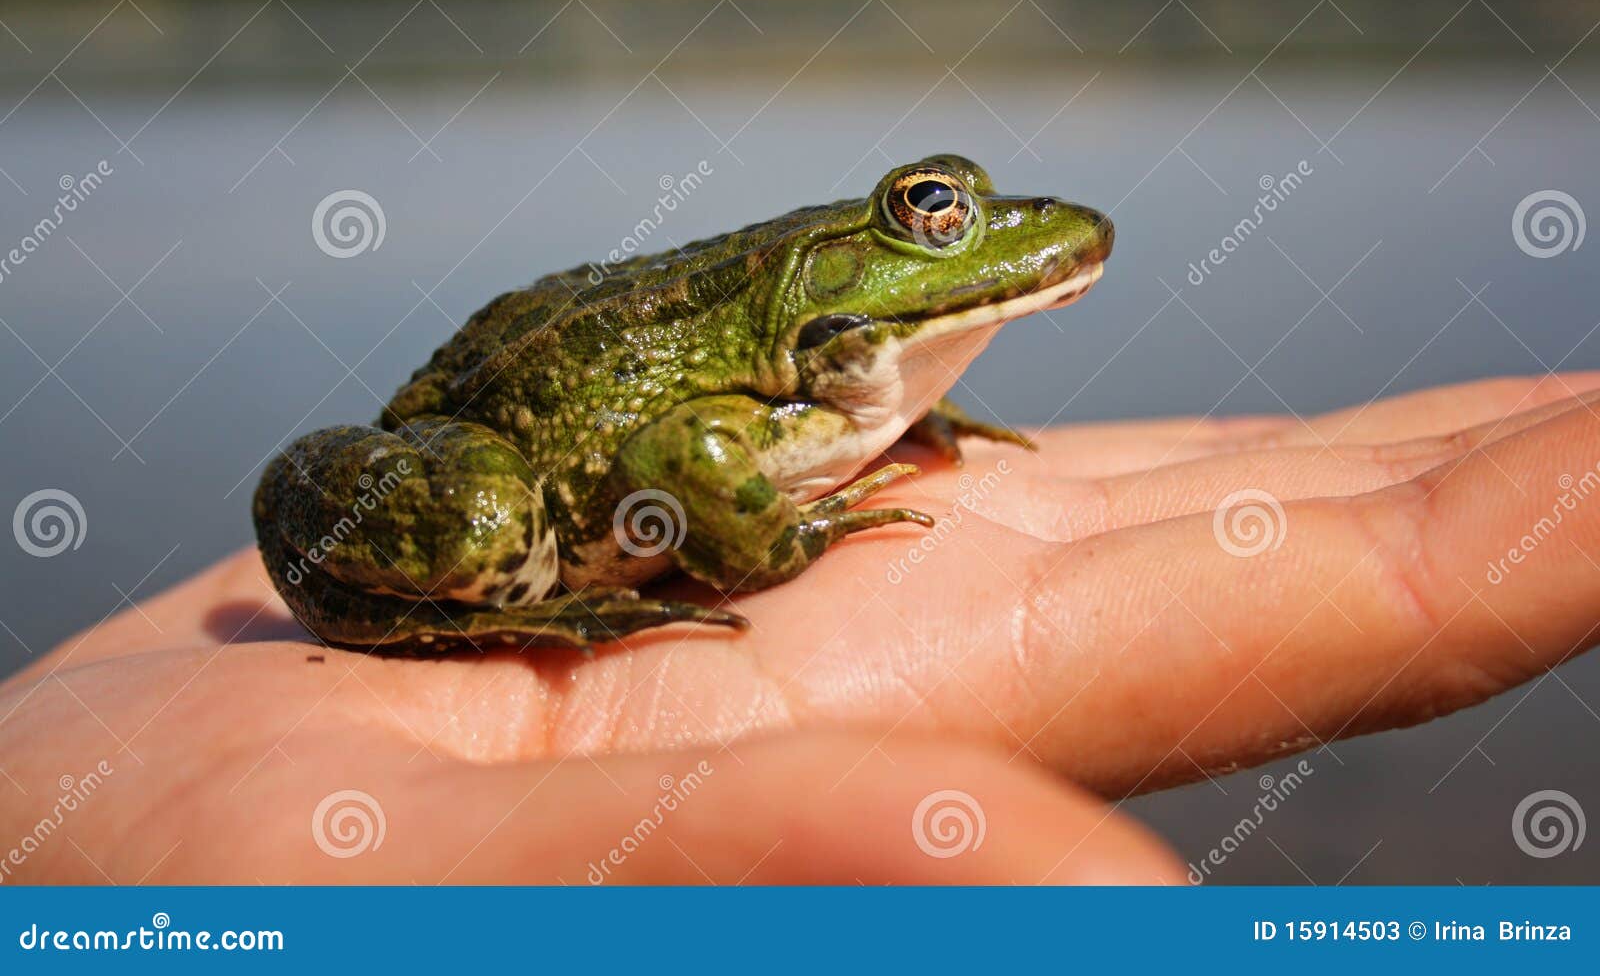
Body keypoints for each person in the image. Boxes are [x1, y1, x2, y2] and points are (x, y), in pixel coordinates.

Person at [2, 374, 1596, 884]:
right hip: (488, 454)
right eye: (927, 212)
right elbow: (676, 457)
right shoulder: (743, 393)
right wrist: (795, 525)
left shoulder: (832, 368)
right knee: (486, 519)